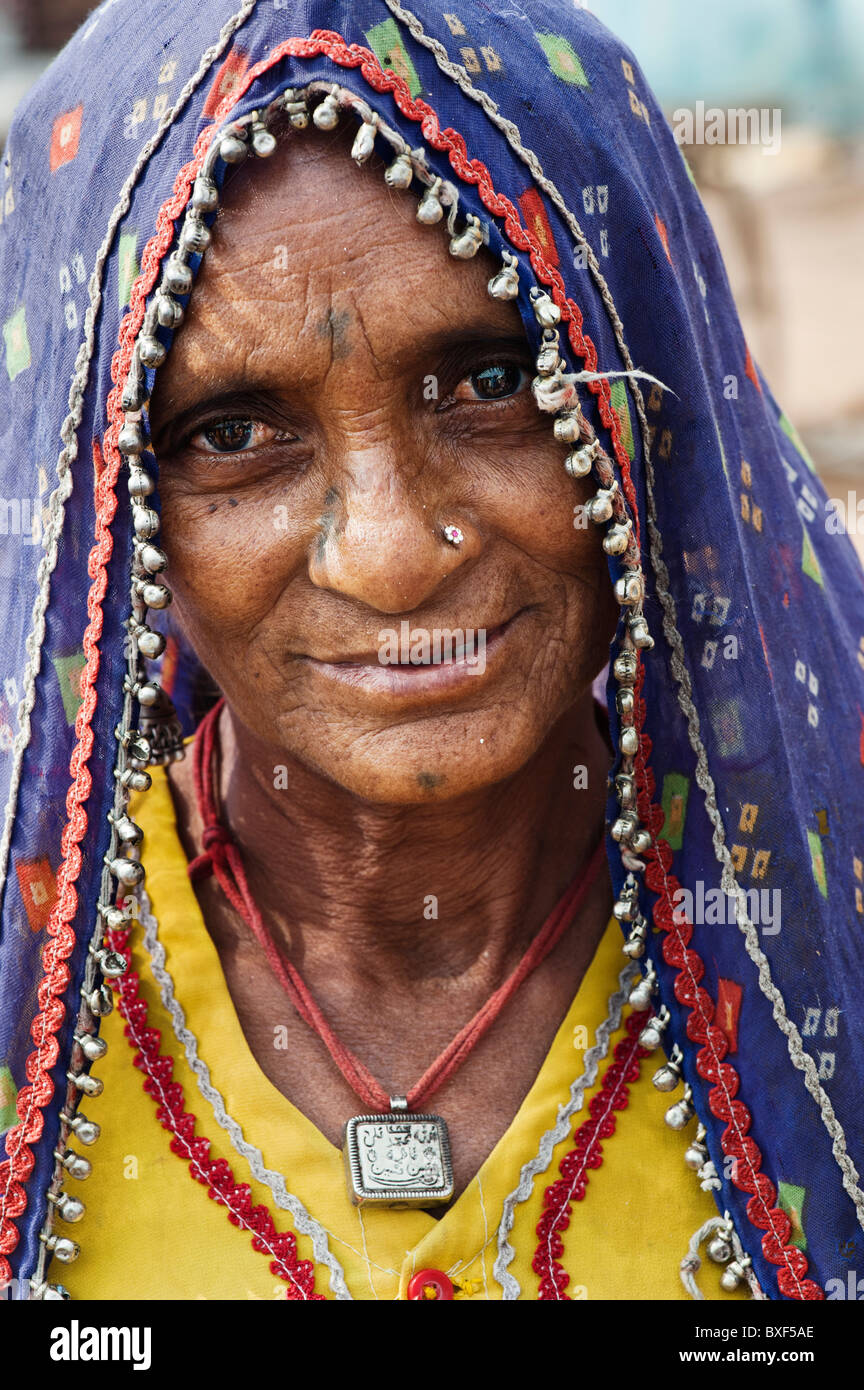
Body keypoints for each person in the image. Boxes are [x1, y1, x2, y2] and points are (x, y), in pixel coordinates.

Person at [0, 0, 861, 1303]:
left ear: (649, 396)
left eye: (492, 380)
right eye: (234, 432)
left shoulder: (823, 932)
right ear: (115, 508)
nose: (393, 555)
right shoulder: (40, 989)